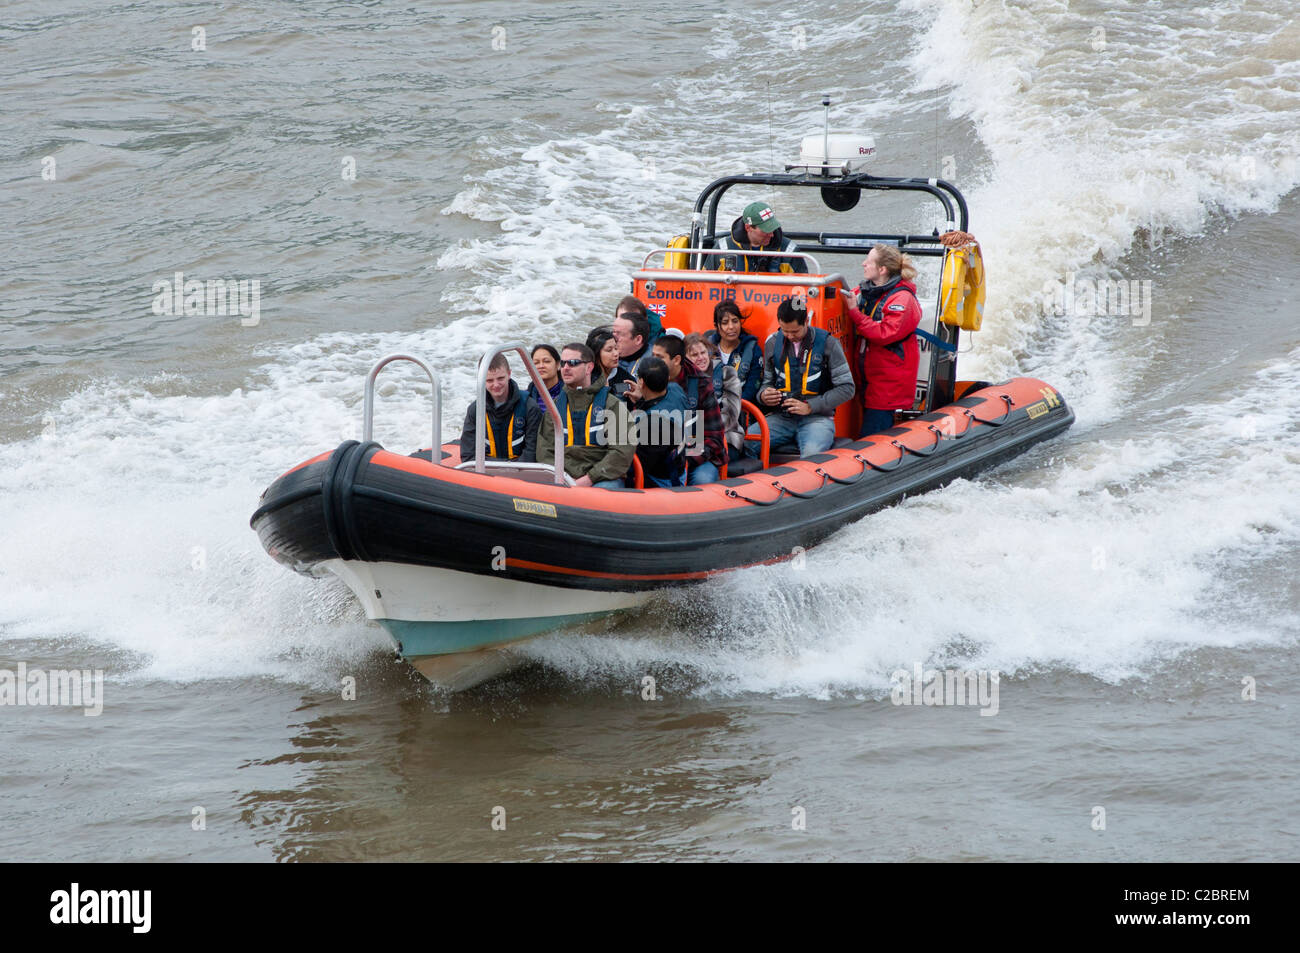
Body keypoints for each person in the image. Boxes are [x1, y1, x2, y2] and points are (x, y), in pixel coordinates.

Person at [753, 297, 855, 456]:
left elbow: (847, 388)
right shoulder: (772, 343)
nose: (789, 336)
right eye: (784, 330)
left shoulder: (829, 344)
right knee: (744, 442)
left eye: (794, 331)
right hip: (781, 418)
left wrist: (810, 406)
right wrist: (764, 395)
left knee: (811, 454)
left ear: (806, 321)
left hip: (817, 419)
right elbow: (766, 383)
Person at [842, 244, 923, 436]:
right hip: (869, 381)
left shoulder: (902, 299)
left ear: (882, 269)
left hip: (888, 388)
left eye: (868, 262)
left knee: (873, 438)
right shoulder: (869, 292)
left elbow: (885, 334)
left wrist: (854, 312)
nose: (863, 264)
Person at [535, 343, 636, 488]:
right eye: (563, 363)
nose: (566, 368)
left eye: (573, 363)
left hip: (601, 479)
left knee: (605, 491)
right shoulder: (555, 407)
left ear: (589, 367)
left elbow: (621, 452)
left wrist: (589, 479)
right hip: (562, 478)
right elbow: (545, 451)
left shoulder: (612, 404)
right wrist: (562, 478)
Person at [638, 333, 726, 484]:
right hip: (658, 456)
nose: (653, 361)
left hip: (697, 454)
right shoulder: (646, 378)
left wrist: (682, 459)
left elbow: (714, 438)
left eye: (659, 357)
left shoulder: (701, 386)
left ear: (677, 360)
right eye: (652, 356)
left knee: (701, 480)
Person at [459, 353, 542, 463]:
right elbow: (468, 456)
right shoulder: (475, 410)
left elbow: (532, 454)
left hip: (521, 473)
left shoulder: (530, 408)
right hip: (487, 474)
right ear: (482, 379)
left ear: (509, 374)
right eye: (489, 380)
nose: (496, 385)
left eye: (500, 378)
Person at [628, 357, 689, 488]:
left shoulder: (653, 425)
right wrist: (642, 400)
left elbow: (636, 468)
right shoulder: (676, 389)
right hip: (679, 465)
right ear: (667, 378)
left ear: (641, 382)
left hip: (664, 480)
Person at [685, 332, 741, 463]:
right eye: (694, 355)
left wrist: (705, 433)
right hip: (691, 440)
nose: (701, 358)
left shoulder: (726, 372)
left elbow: (732, 413)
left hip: (725, 438)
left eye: (703, 353)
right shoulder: (682, 379)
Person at [718, 201, 808, 274]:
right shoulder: (723, 249)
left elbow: (803, 290)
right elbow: (704, 286)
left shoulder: (789, 252)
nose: (772, 234)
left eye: (772, 228)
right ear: (748, 228)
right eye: (766, 230)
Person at [705, 300, 763, 404]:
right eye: (725, 323)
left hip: (740, 409)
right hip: (710, 409)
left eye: (735, 321)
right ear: (717, 326)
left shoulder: (752, 349)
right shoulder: (706, 348)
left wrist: (731, 407)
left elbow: (752, 387)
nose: (731, 327)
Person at [588, 325, 634, 397]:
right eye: (609, 350)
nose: (616, 354)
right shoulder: (585, 378)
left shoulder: (625, 378)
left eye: (616, 348)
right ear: (595, 355)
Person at [612, 311, 653, 385]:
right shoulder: (604, 352)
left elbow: (623, 393)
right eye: (613, 332)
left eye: (619, 334)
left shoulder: (651, 368)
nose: (613, 338)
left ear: (638, 339)